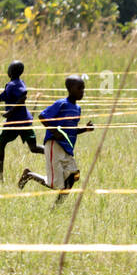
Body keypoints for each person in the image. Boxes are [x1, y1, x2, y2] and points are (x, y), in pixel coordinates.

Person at [18, 75, 94, 204]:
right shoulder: (61, 104)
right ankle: (29, 175)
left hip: (67, 149)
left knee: (74, 176)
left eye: (83, 89)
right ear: (70, 89)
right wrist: (54, 131)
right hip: (55, 144)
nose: (82, 91)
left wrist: (85, 129)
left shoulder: (77, 109)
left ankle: (56, 208)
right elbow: (43, 116)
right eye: (79, 88)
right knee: (55, 184)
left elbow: (72, 130)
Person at [0, 60, 44, 182]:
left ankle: (0, 176)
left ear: (11, 71)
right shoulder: (14, 83)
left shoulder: (15, 84)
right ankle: (54, 152)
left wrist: (10, 112)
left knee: (1, 144)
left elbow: (22, 97)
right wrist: (0, 98)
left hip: (15, 121)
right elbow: (7, 94)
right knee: (33, 148)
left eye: (9, 68)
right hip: (24, 121)